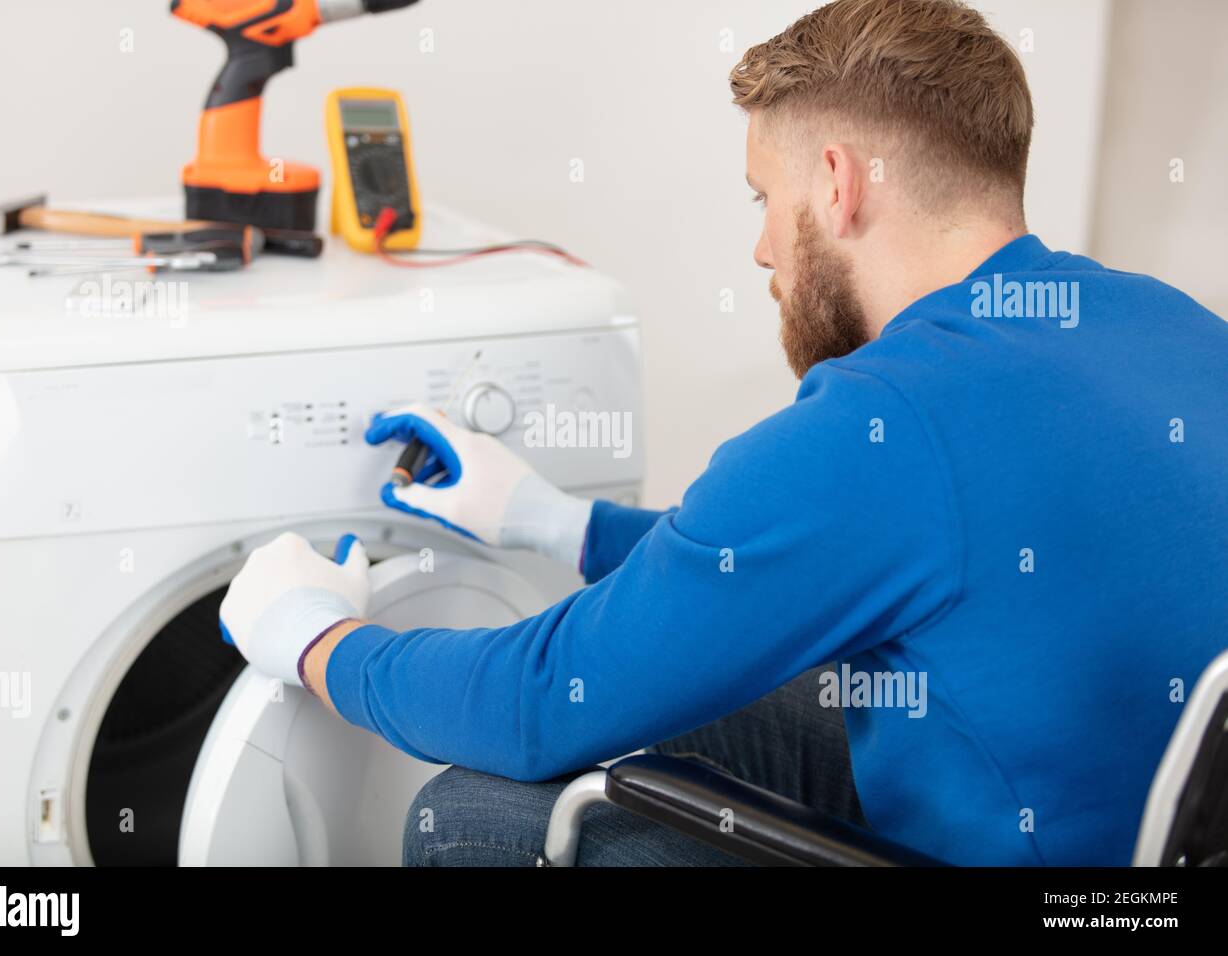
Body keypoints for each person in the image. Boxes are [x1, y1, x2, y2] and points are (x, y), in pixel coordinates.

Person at [218, 0, 1228, 866]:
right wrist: (557, 522)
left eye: (764, 198)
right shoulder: (1173, 324)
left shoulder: (885, 418)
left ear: (837, 182)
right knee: (697, 679)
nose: (759, 247)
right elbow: (796, 559)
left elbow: (529, 705)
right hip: (1107, 829)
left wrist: (314, 638)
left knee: (477, 814)